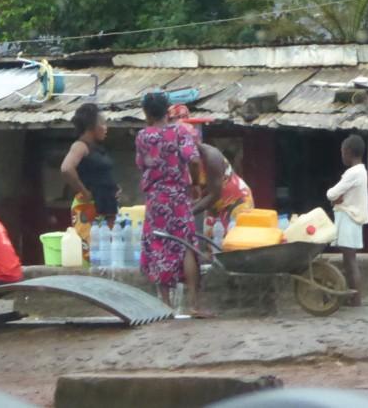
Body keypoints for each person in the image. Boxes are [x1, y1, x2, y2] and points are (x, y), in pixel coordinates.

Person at [135, 91, 210, 316]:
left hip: (156, 198)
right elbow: (194, 159)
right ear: (168, 111)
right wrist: (196, 182)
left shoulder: (142, 136)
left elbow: (142, 164)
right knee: (186, 245)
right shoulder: (179, 132)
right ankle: (194, 305)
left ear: (147, 113)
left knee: (158, 246)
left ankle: (166, 306)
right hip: (178, 196)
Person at [326, 134, 368, 307]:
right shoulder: (362, 172)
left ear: (349, 152)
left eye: (342, 152)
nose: (342, 156)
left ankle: (356, 298)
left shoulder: (353, 173)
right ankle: (352, 296)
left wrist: (335, 197)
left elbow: (331, 193)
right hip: (351, 218)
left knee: (350, 261)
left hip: (348, 219)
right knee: (348, 260)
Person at [61, 103, 121, 226]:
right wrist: (85, 192)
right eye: (102, 123)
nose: (106, 128)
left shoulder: (97, 148)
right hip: (90, 210)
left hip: (107, 208)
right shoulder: (80, 146)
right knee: (91, 244)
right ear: (91, 126)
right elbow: (66, 169)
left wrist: (114, 188)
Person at [191, 142, 256, 239]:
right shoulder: (183, 159)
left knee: (233, 243)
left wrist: (187, 213)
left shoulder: (212, 156)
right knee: (210, 242)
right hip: (213, 207)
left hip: (236, 201)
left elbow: (214, 195)